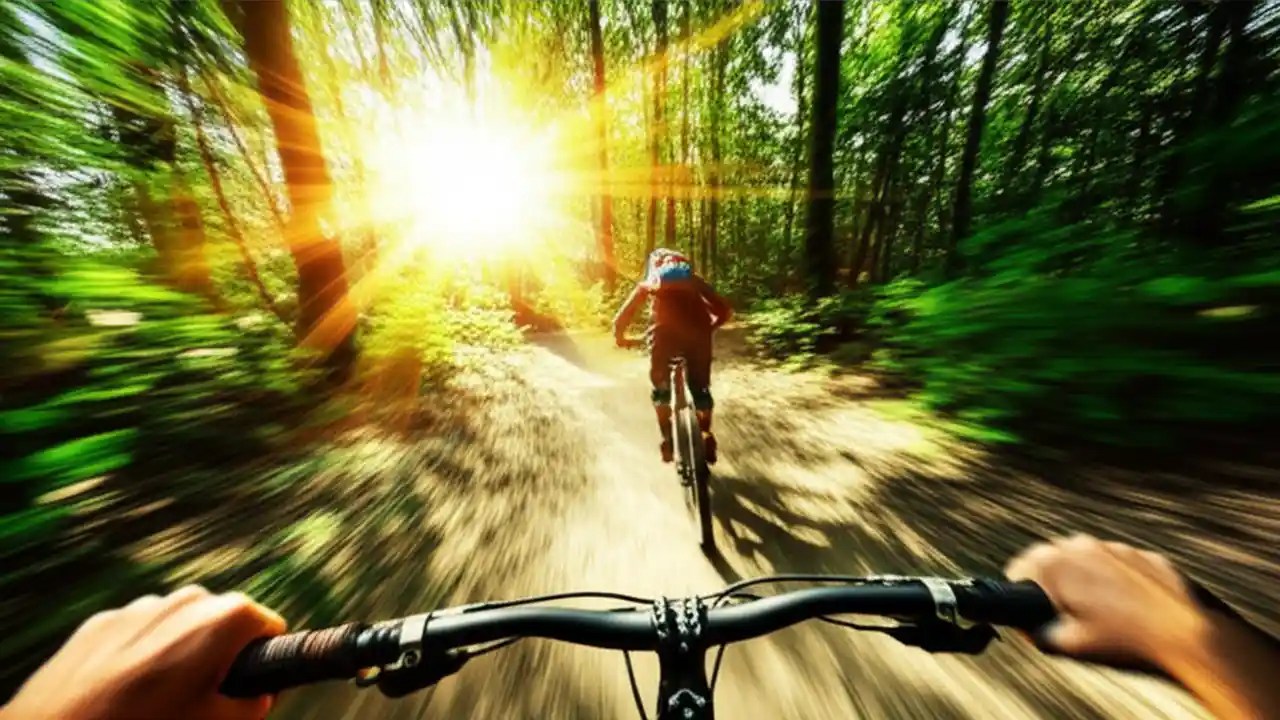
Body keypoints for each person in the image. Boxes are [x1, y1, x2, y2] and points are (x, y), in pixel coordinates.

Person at [5, 536, 1278, 719]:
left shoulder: (675, 290)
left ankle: (693, 422)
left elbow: (671, 322)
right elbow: (664, 325)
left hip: (698, 367)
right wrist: (1193, 637)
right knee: (686, 382)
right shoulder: (676, 293)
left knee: (691, 387)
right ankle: (688, 416)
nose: (670, 293)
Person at [613, 248, 732, 464]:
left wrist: (621, 337)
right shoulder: (694, 281)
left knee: (661, 390)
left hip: (663, 337)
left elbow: (622, 317)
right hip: (699, 335)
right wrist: (710, 328)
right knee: (700, 389)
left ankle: (667, 438)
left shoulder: (652, 282)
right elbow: (724, 310)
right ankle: (705, 433)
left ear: (655, 266)